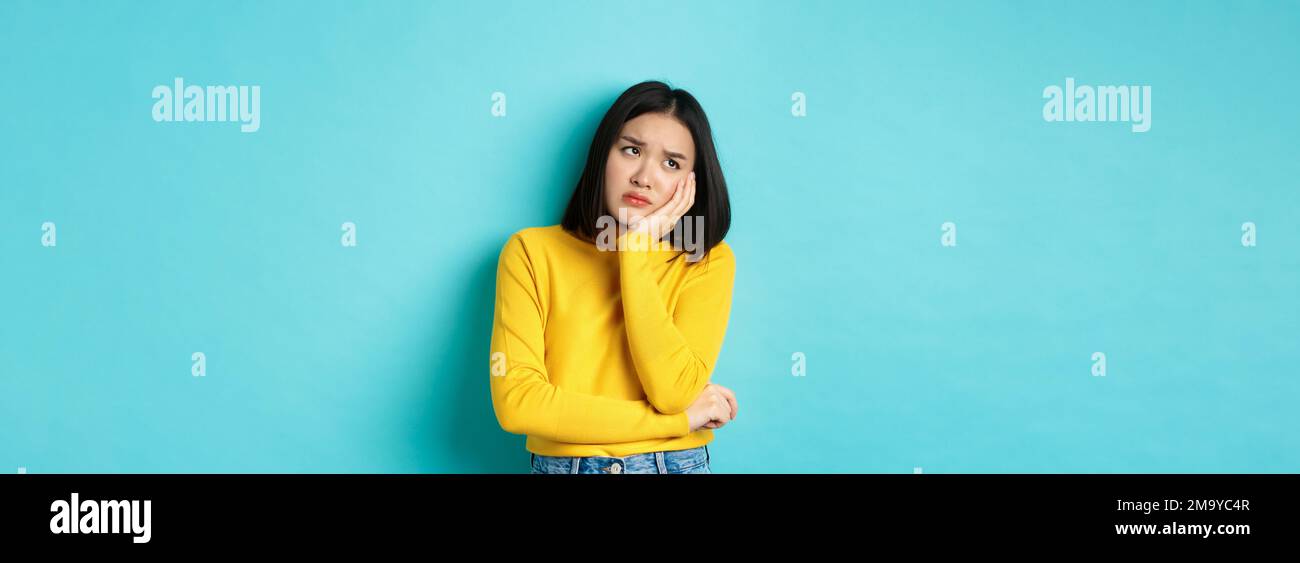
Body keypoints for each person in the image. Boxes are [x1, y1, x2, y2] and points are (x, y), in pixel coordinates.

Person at [489, 80, 739, 474]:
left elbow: (673, 392)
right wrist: (676, 423)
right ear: (603, 155)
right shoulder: (531, 252)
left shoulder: (704, 261)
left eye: (671, 163)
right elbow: (517, 404)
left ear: (692, 183)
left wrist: (635, 251)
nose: (644, 176)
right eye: (632, 150)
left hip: (674, 465)